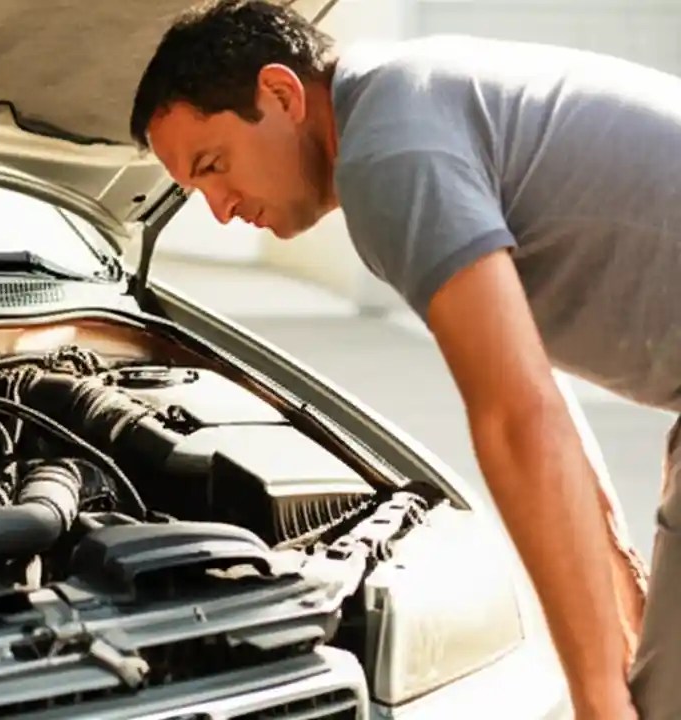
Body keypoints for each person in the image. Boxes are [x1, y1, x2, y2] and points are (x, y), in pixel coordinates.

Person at [128, 1, 681, 717]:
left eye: (215, 166)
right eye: (197, 189)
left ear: (282, 94)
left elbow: (516, 420)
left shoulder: (388, 157)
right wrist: (616, 588)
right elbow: (532, 385)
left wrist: (598, 693)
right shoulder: (403, 101)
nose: (222, 210)